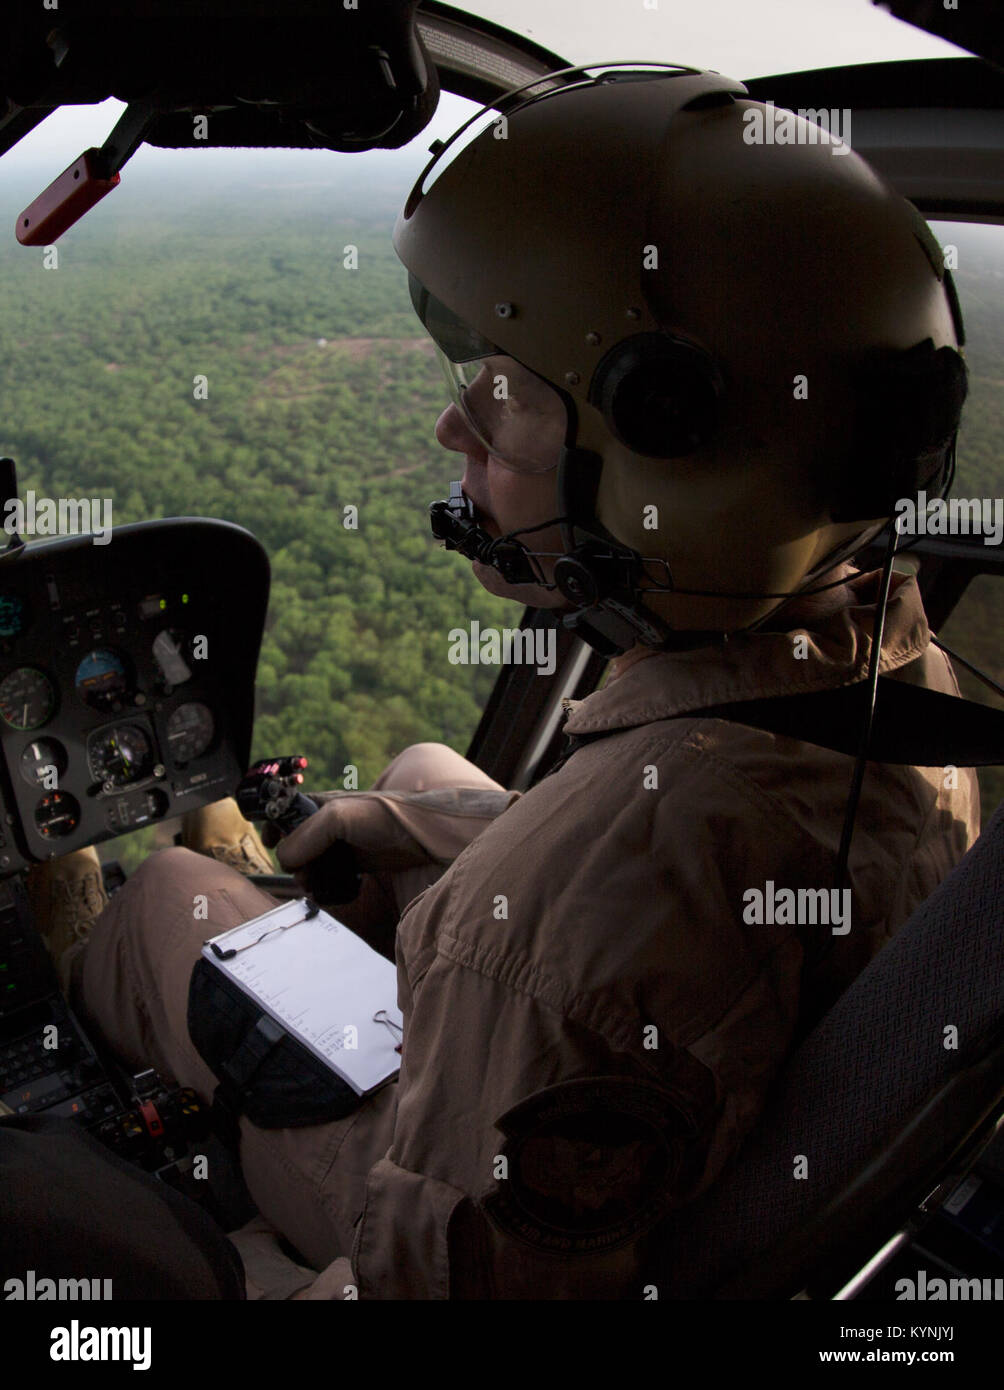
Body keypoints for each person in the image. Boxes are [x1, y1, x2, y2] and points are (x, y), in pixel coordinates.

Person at [39, 66, 979, 1299]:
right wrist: (424, 837)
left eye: (500, 400)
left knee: (162, 890)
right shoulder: (894, 658)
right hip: (698, 1070)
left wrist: (263, 1275)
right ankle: (282, 867)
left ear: (668, 469)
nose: (453, 436)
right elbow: (642, 881)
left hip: (471, 1195)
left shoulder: (575, 908)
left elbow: (438, 1281)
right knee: (423, 777)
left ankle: (83, 955)